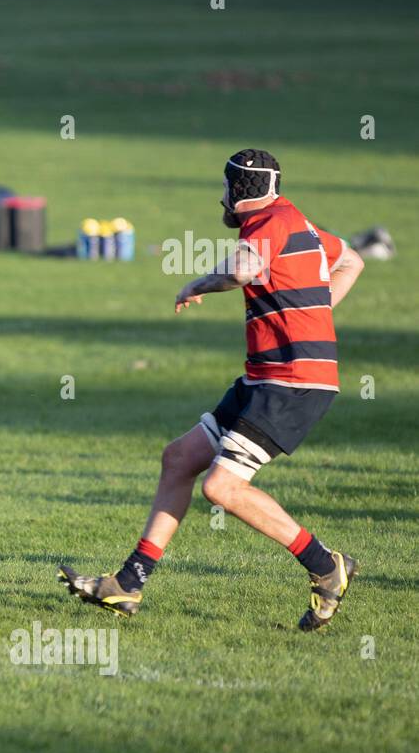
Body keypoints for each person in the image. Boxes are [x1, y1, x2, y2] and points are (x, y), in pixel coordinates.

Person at [58, 149, 366, 631]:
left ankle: (327, 566)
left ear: (239, 190)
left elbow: (243, 269)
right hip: (264, 377)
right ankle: (129, 583)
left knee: (221, 487)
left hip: (293, 384)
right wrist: (314, 316)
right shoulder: (294, 220)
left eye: (225, 188)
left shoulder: (267, 222)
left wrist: (198, 282)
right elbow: (352, 261)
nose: (220, 196)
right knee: (179, 458)